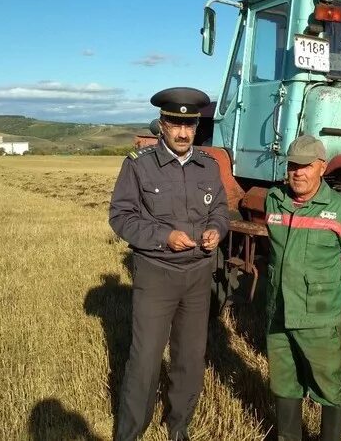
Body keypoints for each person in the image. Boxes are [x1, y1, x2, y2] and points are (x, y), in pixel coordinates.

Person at [108, 87, 229, 441]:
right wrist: (165, 237)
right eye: (175, 123)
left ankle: (179, 427)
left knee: (190, 360)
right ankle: (129, 433)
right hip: (156, 275)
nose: (182, 132)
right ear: (162, 124)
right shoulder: (138, 165)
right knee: (145, 361)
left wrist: (215, 230)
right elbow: (121, 217)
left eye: (189, 124)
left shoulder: (208, 165)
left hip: (198, 275)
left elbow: (220, 209)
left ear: (195, 126)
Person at [264, 135, 341, 441]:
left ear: (321, 167)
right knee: (283, 381)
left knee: (329, 387)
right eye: (293, 165)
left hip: (318, 318)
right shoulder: (274, 200)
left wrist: (326, 292)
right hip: (279, 313)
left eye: (306, 166)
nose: (298, 172)